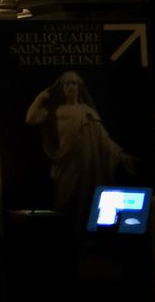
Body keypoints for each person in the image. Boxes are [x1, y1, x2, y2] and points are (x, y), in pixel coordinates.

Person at [25, 71, 136, 218]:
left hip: (87, 165)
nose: (71, 87)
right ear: (62, 88)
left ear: (79, 87)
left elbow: (104, 139)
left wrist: (120, 155)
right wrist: (41, 98)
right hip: (64, 163)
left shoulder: (88, 112)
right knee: (64, 203)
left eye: (74, 83)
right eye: (67, 84)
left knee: (86, 203)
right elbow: (31, 119)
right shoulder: (56, 111)